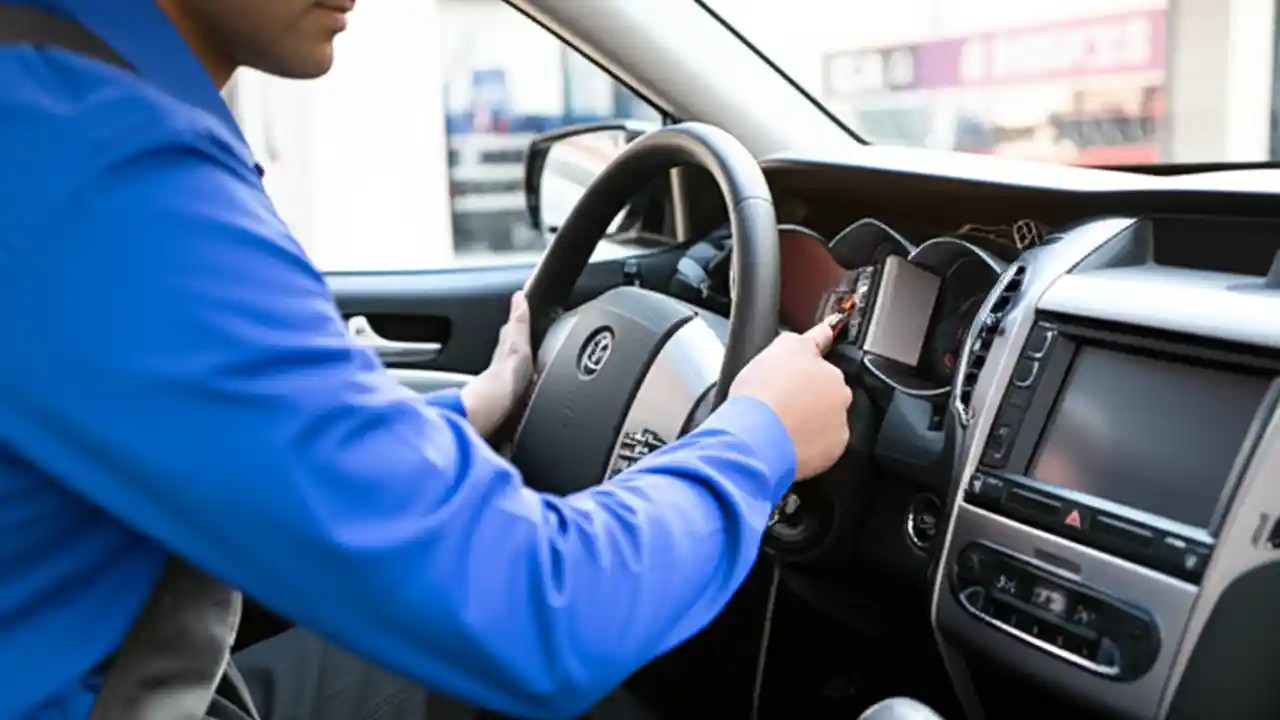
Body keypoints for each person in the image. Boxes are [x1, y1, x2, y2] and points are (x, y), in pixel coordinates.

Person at [0, 1, 854, 718]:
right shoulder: (107, 173)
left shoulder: (56, 106)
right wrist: (759, 436)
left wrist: (471, 412)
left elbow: (228, 433)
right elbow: (535, 614)